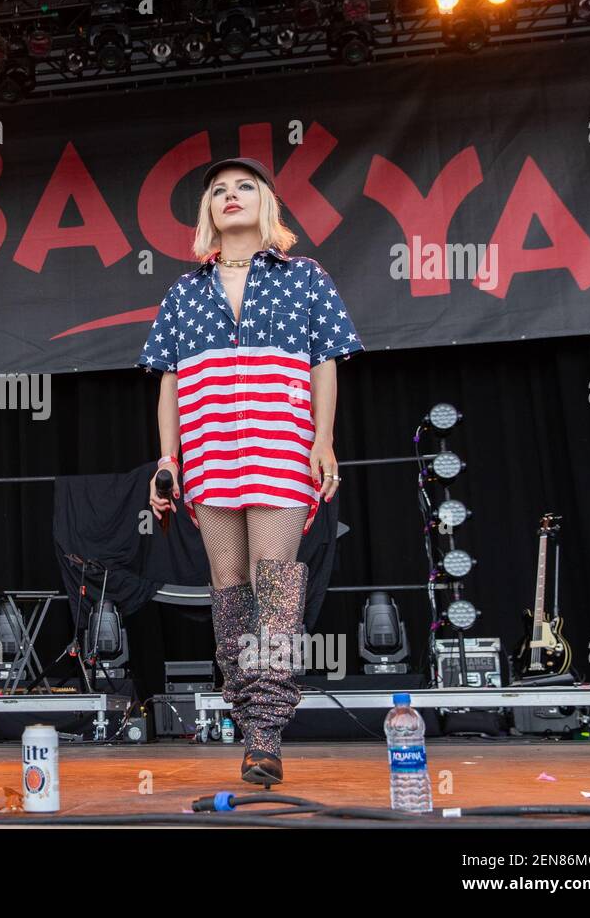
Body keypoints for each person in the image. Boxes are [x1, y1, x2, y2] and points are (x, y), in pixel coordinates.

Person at [137, 158, 364, 785]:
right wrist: (168, 460)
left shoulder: (304, 277)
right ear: (208, 211)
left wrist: (323, 440)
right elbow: (169, 382)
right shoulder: (184, 292)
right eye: (218, 190)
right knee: (231, 596)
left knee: (274, 585)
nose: (230, 196)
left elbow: (325, 360)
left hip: (279, 450)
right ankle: (250, 719)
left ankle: (265, 732)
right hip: (209, 456)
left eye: (244, 187)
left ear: (267, 204)